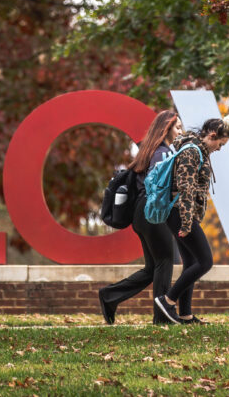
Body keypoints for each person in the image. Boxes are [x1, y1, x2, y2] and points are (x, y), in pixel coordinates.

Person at [97, 109, 184, 325]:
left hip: (139, 213)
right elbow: (159, 185)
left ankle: (110, 296)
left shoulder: (148, 151)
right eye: (178, 127)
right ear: (167, 129)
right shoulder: (163, 153)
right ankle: (162, 317)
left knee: (152, 267)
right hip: (153, 211)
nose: (181, 131)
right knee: (165, 261)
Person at [152, 115, 229, 325]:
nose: (219, 148)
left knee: (191, 263)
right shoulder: (191, 151)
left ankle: (185, 315)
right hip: (180, 213)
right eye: (220, 144)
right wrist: (187, 223)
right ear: (212, 135)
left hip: (181, 213)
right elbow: (185, 188)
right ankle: (167, 299)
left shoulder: (198, 149)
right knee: (205, 261)